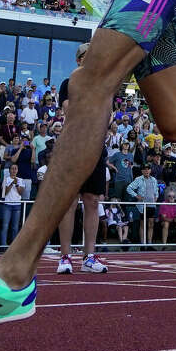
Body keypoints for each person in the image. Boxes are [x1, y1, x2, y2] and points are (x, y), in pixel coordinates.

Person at [56, 43, 111, 275]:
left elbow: (106, 118)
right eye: (86, 57)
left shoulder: (104, 86)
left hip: (95, 147)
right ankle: (65, 256)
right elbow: (72, 111)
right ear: (79, 60)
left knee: (92, 201)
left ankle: (89, 256)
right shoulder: (69, 84)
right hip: (73, 147)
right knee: (69, 202)